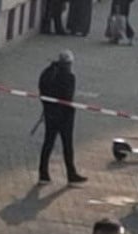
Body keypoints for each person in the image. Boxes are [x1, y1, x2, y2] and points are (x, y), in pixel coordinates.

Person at [38, 51, 85, 185]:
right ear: (69, 63)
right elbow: (68, 97)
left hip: (50, 114)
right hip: (65, 116)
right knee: (67, 145)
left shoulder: (47, 73)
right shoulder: (69, 77)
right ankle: (71, 174)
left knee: (48, 143)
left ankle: (43, 174)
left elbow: (42, 91)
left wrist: (46, 108)